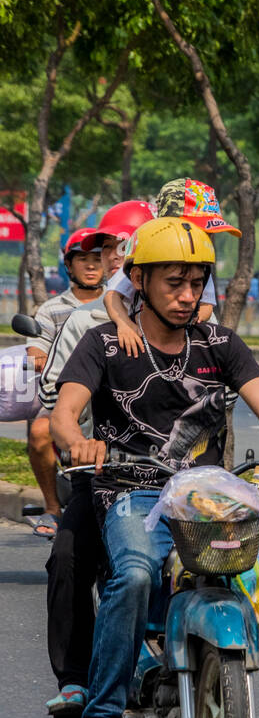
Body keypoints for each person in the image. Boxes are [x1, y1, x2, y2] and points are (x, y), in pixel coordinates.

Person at [50, 218, 259, 718]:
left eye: (197, 282)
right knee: (136, 575)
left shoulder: (220, 343)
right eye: (175, 282)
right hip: (131, 493)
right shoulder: (103, 343)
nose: (188, 295)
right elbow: (65, 414)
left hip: (208, 501)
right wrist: (78, 443)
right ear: (139, 280)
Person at [38, 199, 153, 712]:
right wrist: (81, 439)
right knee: (67, 555)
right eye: (109, 249)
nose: (112, 259)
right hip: (101, 473)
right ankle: (76, 676)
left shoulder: (198, 325)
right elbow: (53, 407)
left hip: (174, 477)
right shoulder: (84, 323)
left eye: (120, 248)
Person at [25, 229, 105, 535]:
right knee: (40, 430)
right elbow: (36, 353)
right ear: (69, 266)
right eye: (82, 258)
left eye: (96, 258)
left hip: (116, 395)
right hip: (67, 397)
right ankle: (52, 508)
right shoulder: (51, 310)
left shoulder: (122, 304)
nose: (90, 265)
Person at [101, 178, 238, 334]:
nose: (205, 239)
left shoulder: (199, 266)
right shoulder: (144, 255)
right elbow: (112, 296)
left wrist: (190, 320)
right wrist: (125, 325)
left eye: (209, 234)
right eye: (200, 231)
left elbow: (206, 306)